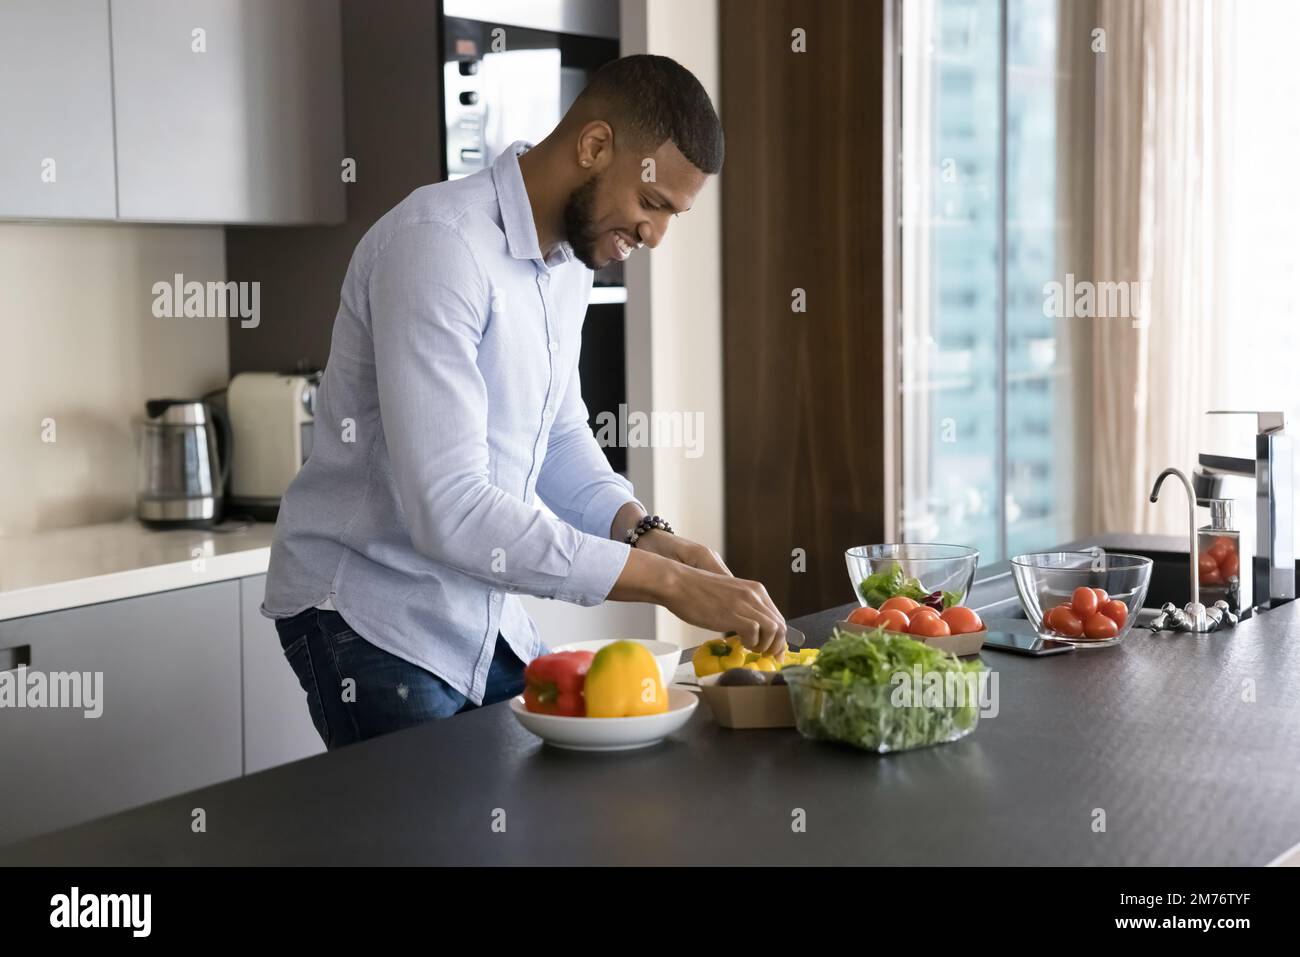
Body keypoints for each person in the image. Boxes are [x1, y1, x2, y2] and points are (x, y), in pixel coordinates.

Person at [263, 54, 786, 748]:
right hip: (371, 614)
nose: (656, 235)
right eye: (654, 204)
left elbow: (561, 439)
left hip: (479, 615)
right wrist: (667, 585)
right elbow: (449, 509)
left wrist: (650, 535)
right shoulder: (438, 246)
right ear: (595, 146)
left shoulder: (567, 261)